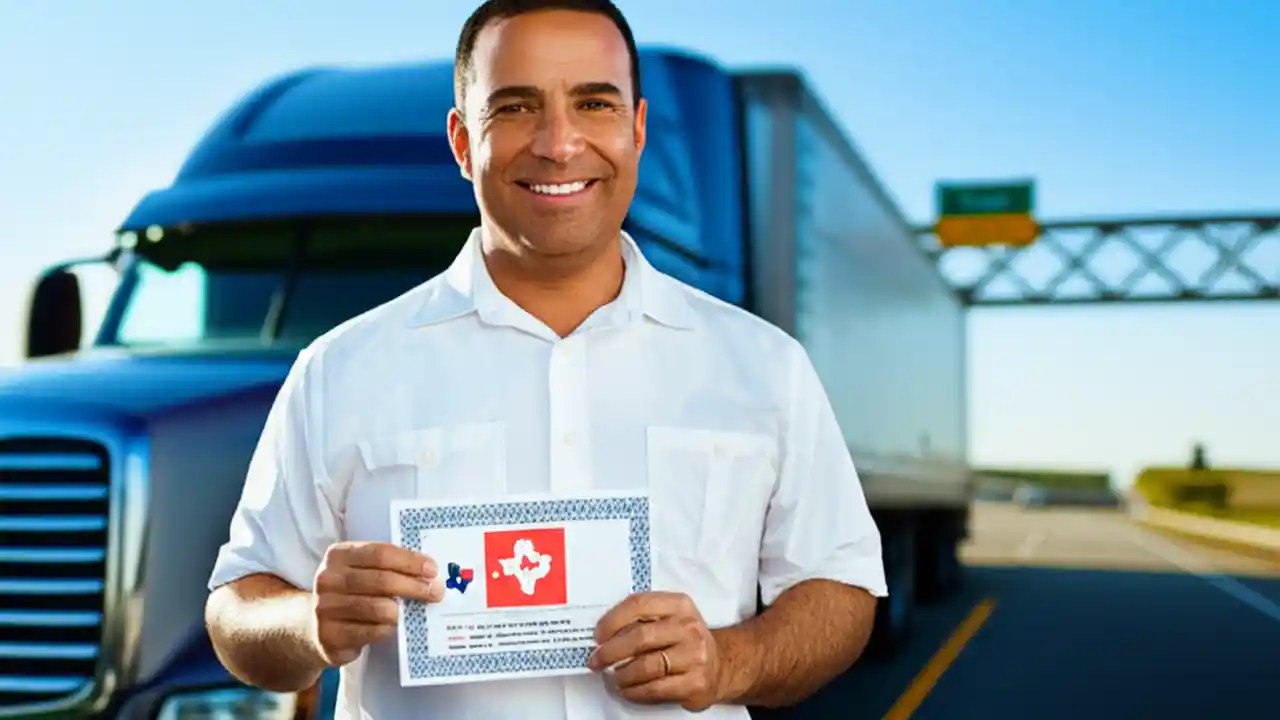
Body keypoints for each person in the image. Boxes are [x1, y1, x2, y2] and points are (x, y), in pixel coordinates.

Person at [203, 1, 887, 718]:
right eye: (516, 107)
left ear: (637, 129)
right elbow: (236, 611)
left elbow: (839, 590)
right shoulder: (340, 370)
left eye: (594, 103)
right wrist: (307, 621)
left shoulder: (763, 365)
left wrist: (730, 661)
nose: (559, 144)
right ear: (462, 141)